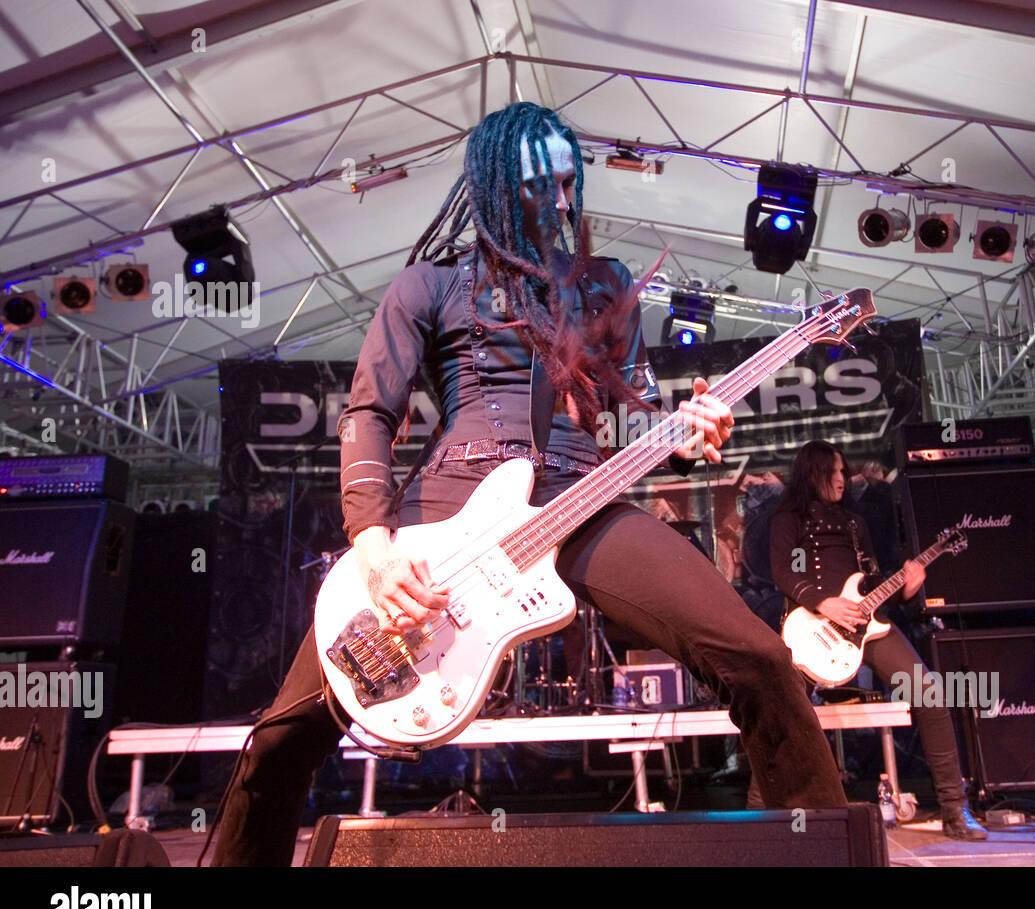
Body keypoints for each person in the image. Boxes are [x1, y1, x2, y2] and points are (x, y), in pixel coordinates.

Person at [210, 102, 846, 865]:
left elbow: (636, 416)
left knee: (764, 661)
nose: (564, 200)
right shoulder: (429, 286)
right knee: (287, 731)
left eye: (571, 181)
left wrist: (690, 433)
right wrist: (374, 550)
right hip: (452, 504)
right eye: (541, 184)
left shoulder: (607, 287)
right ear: (494, 186)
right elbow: (368, 412)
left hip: (583, 502)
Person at [766, 440, 986, 841]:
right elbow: (782, 573)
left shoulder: (855, 522)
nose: (841, 479)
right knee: (780, 711)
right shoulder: (787, 520)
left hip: (868, 624)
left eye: (843, 472)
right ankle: (761, 816)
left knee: (930, 696)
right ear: (812, 473)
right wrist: (823, 604)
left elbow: (869, 579)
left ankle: (956, 810)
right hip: (813, 627)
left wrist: (905, 586)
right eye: (832, 472)